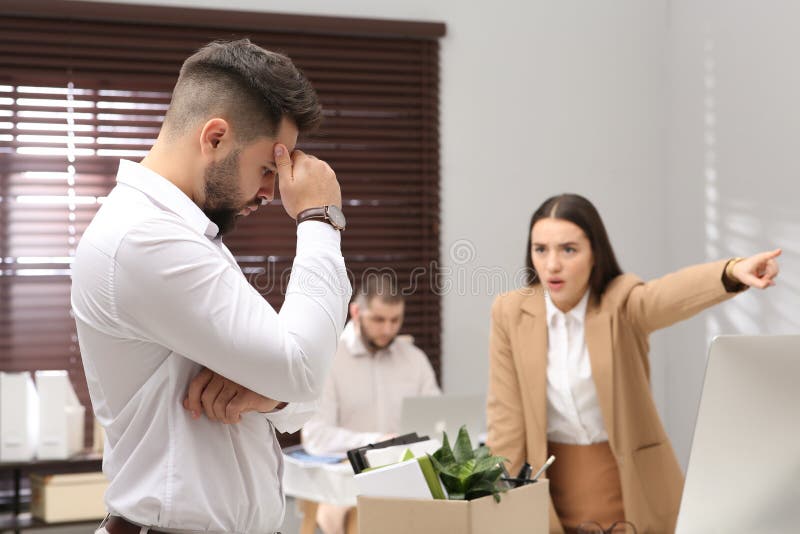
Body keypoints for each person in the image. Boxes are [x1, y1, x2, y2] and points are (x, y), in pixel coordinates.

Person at [71, 39, 351, 534]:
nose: (271, 191)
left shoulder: (185, 233)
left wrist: (272, 395)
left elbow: (299, 385)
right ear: (216, 137)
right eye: (268, 168)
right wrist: (319, 218)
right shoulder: (145, 239)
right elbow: (303, 366)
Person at [486, 193, 780, 534]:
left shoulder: (621, 303)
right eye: (541, 249)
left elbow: (668, 295)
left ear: (595, 253)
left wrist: (730, 272)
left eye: (569, 250)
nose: (552, 265)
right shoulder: (510, 312)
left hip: (630, 494)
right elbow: (504, 419)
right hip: (549, 496)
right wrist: (501, 508)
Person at [301, 273, 441, 534]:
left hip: (408, 475)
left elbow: (435, 422)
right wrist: (379, 442)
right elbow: (316, 436)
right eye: (378, 320)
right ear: (356, 312)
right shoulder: (330, 359)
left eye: (395, 320)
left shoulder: (414, 359)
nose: (388, 329)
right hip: (350, 478)